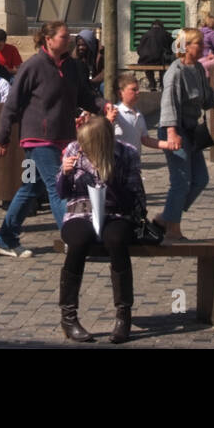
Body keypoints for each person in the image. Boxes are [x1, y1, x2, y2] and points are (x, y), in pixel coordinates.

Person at [0, 20, 114, 258]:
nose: (68, 40)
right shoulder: (33, 66)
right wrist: (1, 135)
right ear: (48, 39)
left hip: (64, 138)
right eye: (63, 36)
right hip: (38, 139)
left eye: (68, 36)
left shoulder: (73, 68)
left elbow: (86, 97)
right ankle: (73, 239)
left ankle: (6, 239)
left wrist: (105, 105)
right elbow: (12, 104)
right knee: (58, 186)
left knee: (31, 187)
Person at [56, 115, 146, 343]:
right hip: (81, 210)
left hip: (115, 212)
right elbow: (63, 192)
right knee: (78, 241)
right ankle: (69, 317)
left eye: (89, 143)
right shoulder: (74, 149)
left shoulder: (126, 153)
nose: (83, 147)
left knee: (116, 240)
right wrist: (65, 174)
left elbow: (136, 199)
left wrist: (110, 178)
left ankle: (123, 315)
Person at [157, 27, 214, 241]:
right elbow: (168, 104)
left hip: (192, 131)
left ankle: (167, 216)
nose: (203, 47)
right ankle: (173, 230)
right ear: (186, 46)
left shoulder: (198, 69)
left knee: (200, 179)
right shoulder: (175, 71)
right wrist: (172, 133)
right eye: (198, 43)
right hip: (174, 130)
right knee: (180, 181)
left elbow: (207, 98)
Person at [112, 74, 169, 154]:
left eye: (138, 89)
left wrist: (168, 145)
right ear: (120, 93)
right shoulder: (115, 112)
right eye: (133, 90)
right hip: (119, 163)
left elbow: (145, 140)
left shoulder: (139, 114)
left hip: (134, 163)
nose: (138, 92)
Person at [136, 19, 174, 89]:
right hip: (161, 61)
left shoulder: (145, 35)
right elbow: (172, 48)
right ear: (162, 26)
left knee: (147, 65)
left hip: (146, 60)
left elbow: (139, 49)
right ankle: (162, 84)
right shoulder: (166, 34)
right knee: (165, 63)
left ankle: (152, 83)